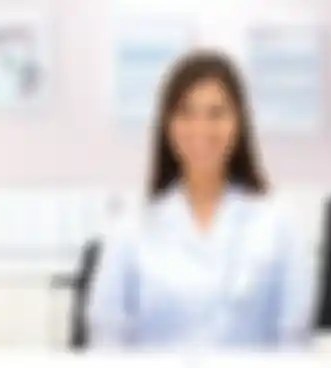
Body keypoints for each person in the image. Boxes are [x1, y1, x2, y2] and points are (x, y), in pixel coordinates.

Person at [87, 51, 315, 349]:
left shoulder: (279, 225)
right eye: (186, 113)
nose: (201, 128)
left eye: (216, 113)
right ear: (167, 124)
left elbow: (294, 341)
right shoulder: (130, 227)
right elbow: (107, 339)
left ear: (239, 123)